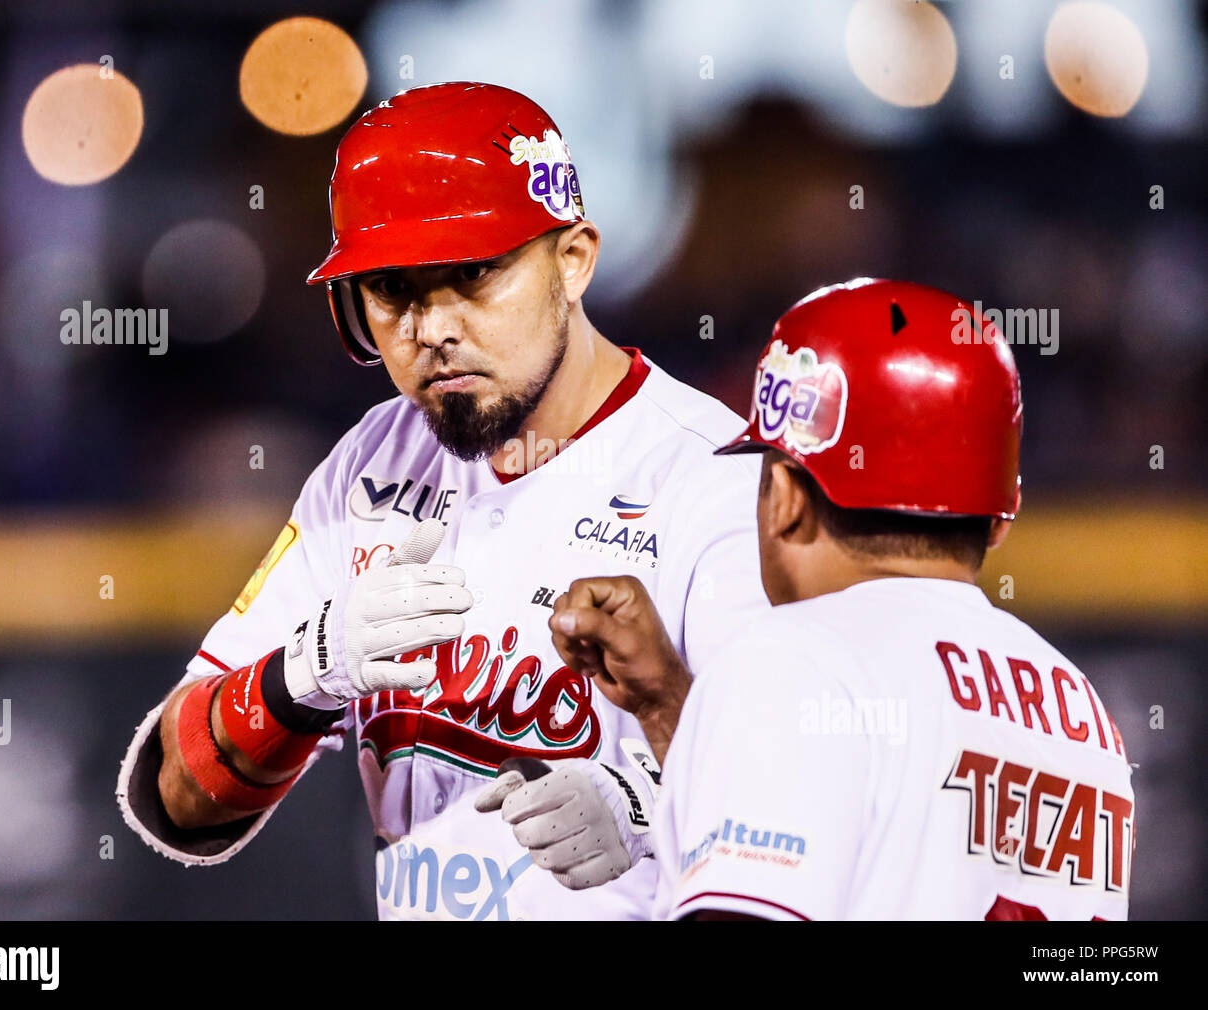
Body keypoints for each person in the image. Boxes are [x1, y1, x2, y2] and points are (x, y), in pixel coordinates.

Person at [115, 81, 769, 920]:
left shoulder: (710, 474)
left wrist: (648, 804)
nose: (433, 327)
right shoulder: (368, 464)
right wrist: (304, 672)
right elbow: (175, 799)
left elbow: (822, 795)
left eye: (473, 273)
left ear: (573, 260)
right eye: (393, 290)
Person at [520, 278, 1135, 920]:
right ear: (1000, 517)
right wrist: (666, 706)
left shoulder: (796, 661)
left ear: (784, 500)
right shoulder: (1082, 713)